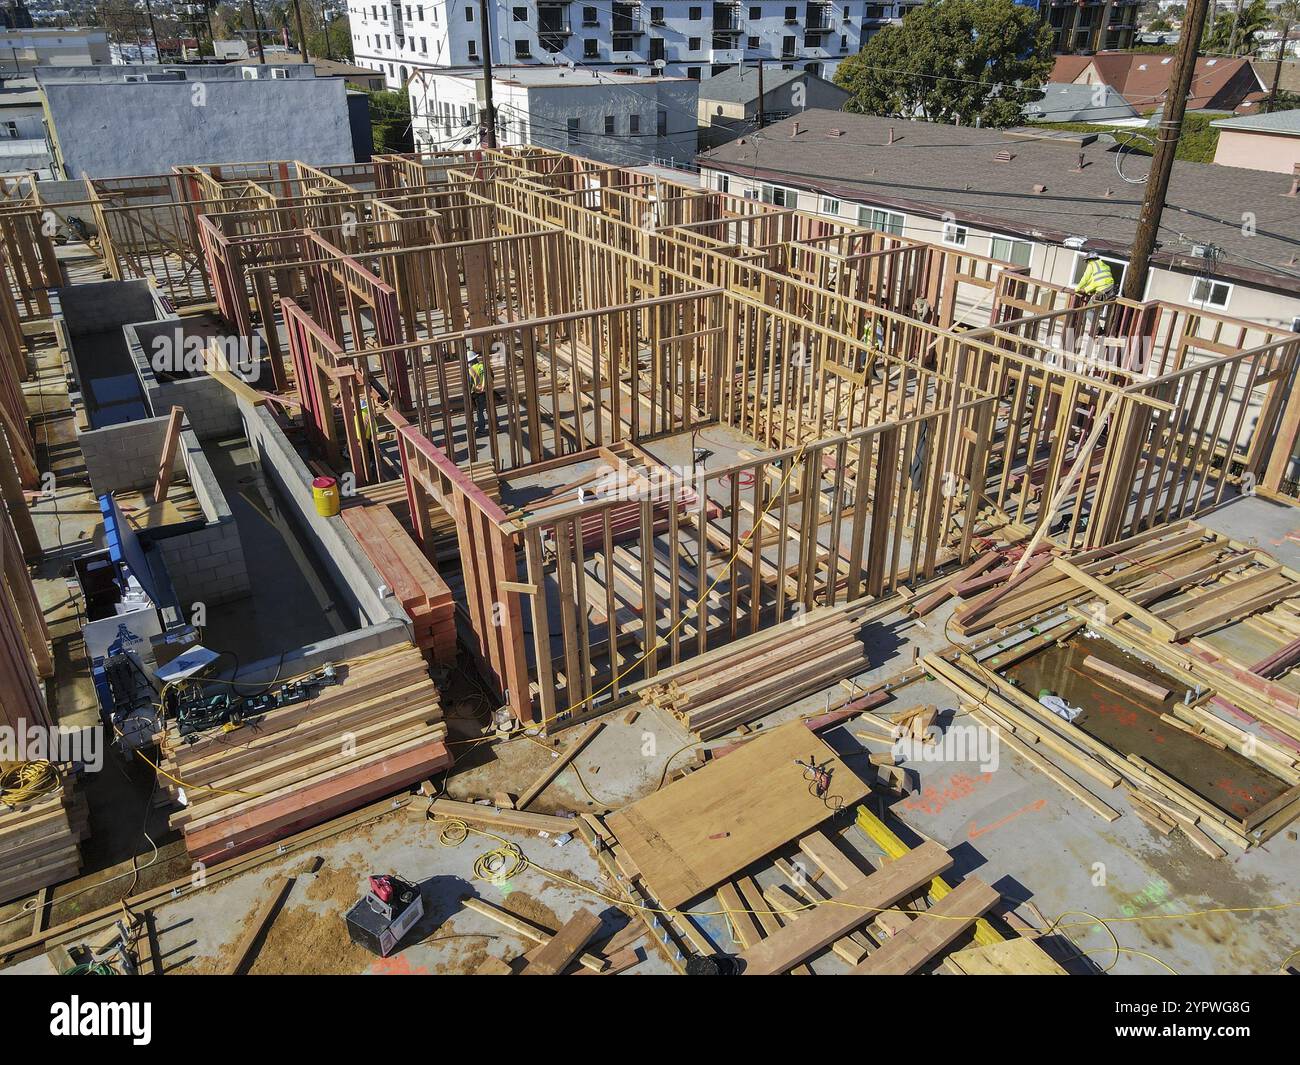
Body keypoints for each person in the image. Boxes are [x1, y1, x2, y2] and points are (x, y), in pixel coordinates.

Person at [467, 349, 488, 438]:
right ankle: (496, 425)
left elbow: (469, 383)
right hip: (489, 391)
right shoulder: (484, 366)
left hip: (479, 393)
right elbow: (492, 376)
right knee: (491, 410)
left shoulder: (471, 370)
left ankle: (481, 430)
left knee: (480, 411)